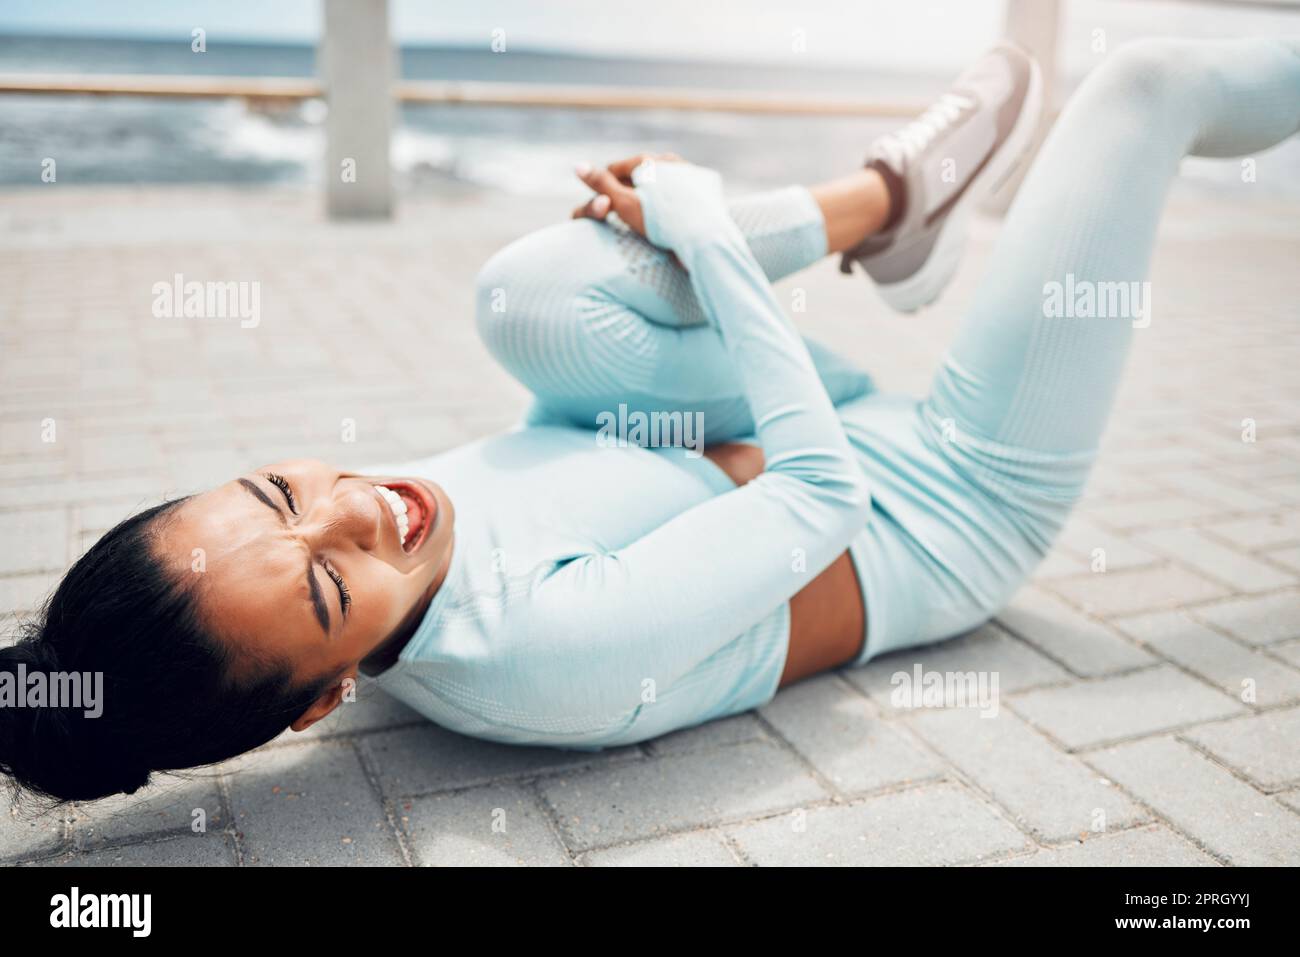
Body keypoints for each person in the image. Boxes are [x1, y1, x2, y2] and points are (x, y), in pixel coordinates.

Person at [3, 37, 1297, 803]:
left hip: (770, 424)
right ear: (320, 704)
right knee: (1143, 84)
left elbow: (574, 452)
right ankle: (885, 202)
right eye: (332, 584)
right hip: (943, 491)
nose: (358, 506)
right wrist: (697, 229)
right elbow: (823, 501)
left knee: (530, 295)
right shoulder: (537, 660)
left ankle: (888, 203)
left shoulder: (377, 557)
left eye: (278, 494)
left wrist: (630, 286)